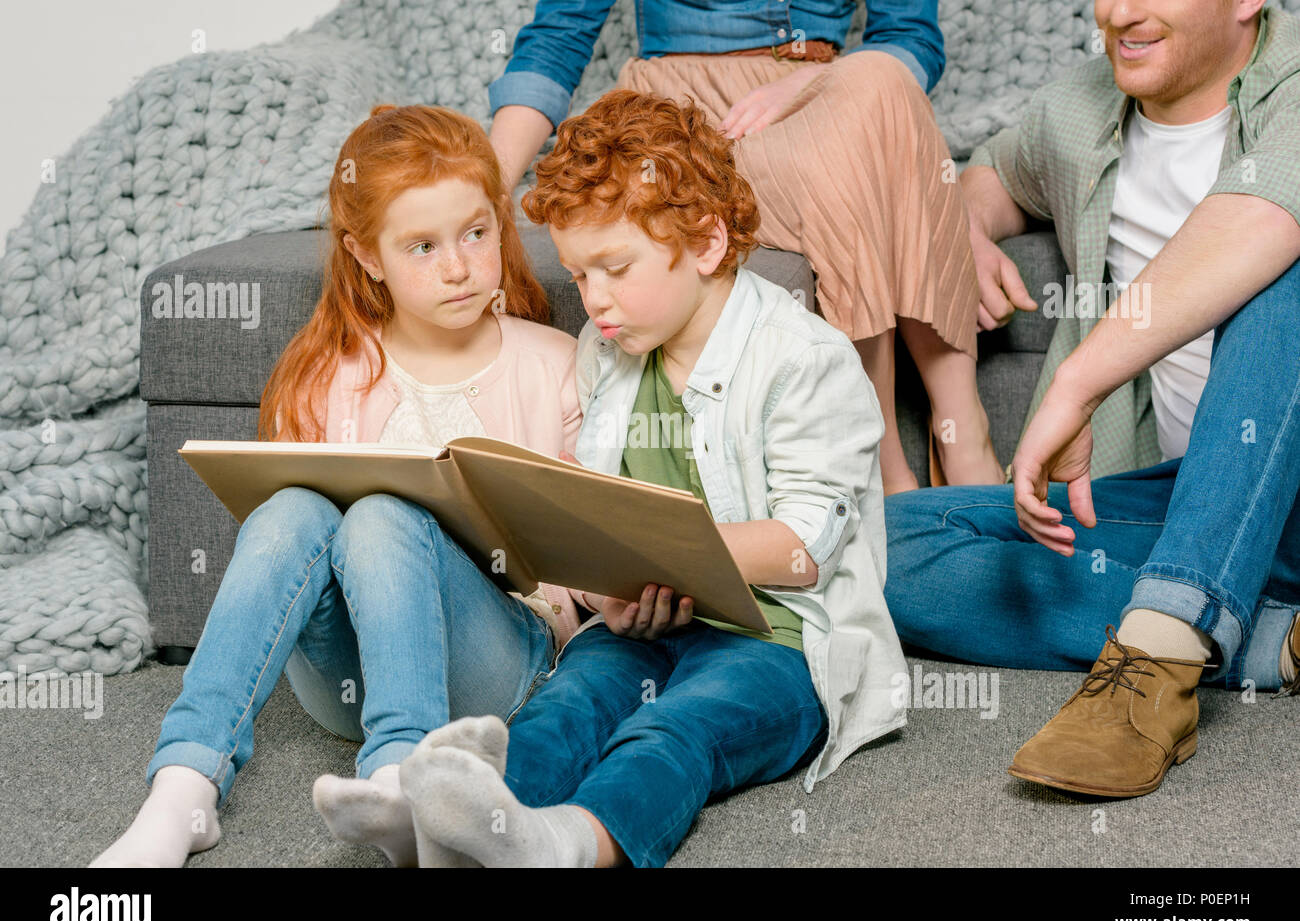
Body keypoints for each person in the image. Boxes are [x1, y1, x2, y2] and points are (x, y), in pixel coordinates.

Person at [395, 89, 909, 867]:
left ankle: (572, 843)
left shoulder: (803, 358)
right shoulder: (608, 349)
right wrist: (608, 588)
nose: (593, 299)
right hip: (649, 622)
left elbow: (806, 545)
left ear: (704, 242)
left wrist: (669, 557)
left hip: (781, 641)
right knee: (567, 703)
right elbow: (598, 507)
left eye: (614, 268)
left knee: (675, 728)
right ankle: (447, 828)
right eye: (578, 273)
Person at [90, 104, 587, 867]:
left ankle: (398, 771)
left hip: (500, 659)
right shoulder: (333, 373)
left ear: (499, 224)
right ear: (367, 256)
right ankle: (184, 787)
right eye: (422, 246)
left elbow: (591, 551)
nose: (458, 266)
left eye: (476, 233)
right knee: (292, 508)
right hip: (346, 674)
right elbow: (298, 543)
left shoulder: (555, 361)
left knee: (386, 512)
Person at [884, 0, 1300, 798]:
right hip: (1190, 505)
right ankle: (1258, 634)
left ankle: (1158, 659)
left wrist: (1077, 382)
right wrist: (962, 226)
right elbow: (991, 173)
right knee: (878, 543)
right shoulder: (1078, 107)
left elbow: (1261, 216)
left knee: (1284, 268)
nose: (1118, 13)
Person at [487, 0, 1004, 494]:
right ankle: (888, 469)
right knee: (852, 149)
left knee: (879, 79)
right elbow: (559, 37)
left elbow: (909, 39)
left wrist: (813, 80)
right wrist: (488, 188)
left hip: (828, 97)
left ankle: (960, 426)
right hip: (691, 116)